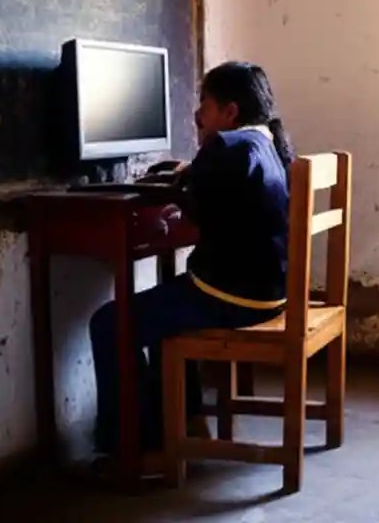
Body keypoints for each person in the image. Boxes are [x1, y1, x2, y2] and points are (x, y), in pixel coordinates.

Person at [88, 62, 294, 458]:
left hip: (233, 297)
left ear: (229, 112)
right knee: (168, 308)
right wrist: (191, 172)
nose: (198, 115)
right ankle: (185, 421)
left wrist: (193, 170)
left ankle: (129, 449)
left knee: (109, 323)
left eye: (205, 105)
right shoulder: (269, 143)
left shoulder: (226, 148)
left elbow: (197, 210)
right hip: (270, 291)